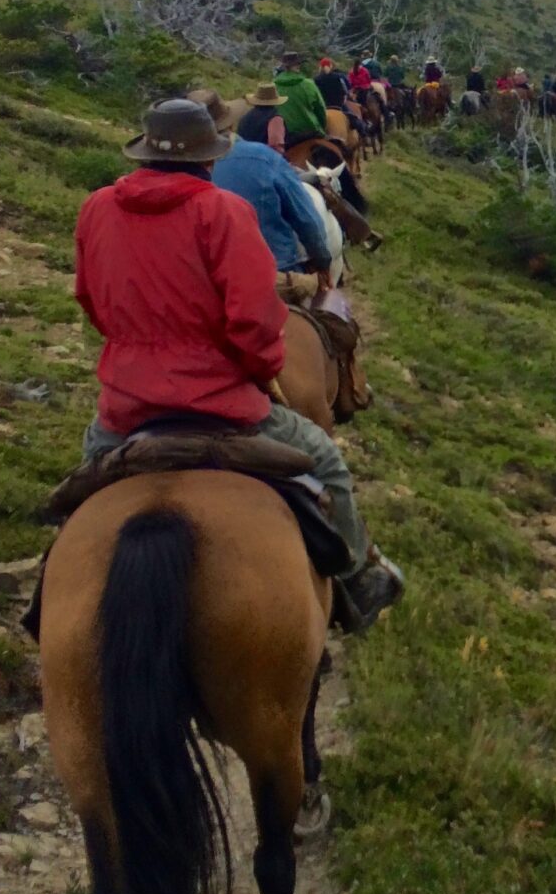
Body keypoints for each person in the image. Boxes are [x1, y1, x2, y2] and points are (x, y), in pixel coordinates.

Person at [73, 97, 401, 627]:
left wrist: (137, 350)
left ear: (143, 155)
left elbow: (90, 300)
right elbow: (253, 321)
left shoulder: (97, 208)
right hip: (221, 403)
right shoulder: (223, 213)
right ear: (210, 159)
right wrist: (260, 366)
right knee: (326, 462)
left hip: (126, 407)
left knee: (80, 495)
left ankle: (52, 595)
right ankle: (359, 579)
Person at [213, 100, 336, 287]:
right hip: (275, 267)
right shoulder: (275, 122)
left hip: (206, 275)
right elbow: (307, 219)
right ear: (230, 124)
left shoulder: (248, 119)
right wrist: (322, 260)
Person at [272, 53, 328, 147]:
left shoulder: (273, 86)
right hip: (309, 129)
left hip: (284, 133)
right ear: (297, 66)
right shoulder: (308, 84)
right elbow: (320, 108)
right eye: (298, 64)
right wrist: (322, 127)